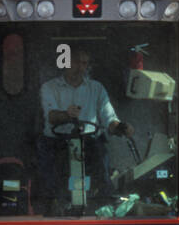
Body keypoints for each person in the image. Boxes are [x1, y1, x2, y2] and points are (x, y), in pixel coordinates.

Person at [36, 46, 134, 214]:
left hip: (89, 142)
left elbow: (109, 119)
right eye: (76, 62)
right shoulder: (49, 87)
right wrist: (66, 114)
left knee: (101, 159)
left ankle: (104, 206)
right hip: (57, 142)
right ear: (65, 63)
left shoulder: (96, 88)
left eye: (84, 63)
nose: (80, 68)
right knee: (50, 175)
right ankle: (51, 204)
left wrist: (120, 127)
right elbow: (50, 116)